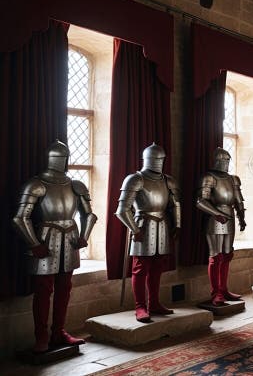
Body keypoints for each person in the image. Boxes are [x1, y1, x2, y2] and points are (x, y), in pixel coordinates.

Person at [12, 141, 96, 352]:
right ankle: (41, 337)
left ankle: (58, 333)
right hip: (46, 239)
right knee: (43, 290)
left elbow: (89, 215)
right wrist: (34, 243)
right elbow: (20, 218)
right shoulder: (36, 184)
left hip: (70, 240)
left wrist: (84, 236)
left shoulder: (76, 185)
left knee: (64, 288)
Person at [116, 143, 181, 323]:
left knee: (157, 267)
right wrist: (135, 229)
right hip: (143, 225)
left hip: (163, 225)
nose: (158, 162)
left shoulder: (168, 180)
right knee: (140, 268)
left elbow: (175, 205)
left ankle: (154, 303)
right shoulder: (135, 179)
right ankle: (140, 307)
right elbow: (122, 210)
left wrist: (177, 225)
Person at [196, 148, 246, 306]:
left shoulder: (233, 179)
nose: (226, 163)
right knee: (215, 256)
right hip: (214, 220)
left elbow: (238, 200)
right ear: (217, 160)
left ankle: (224, 289)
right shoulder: (208, 177)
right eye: (224, 160)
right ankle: (216, 292)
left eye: (228, 160)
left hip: (229, 219)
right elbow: (200, 201)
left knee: (227, 255)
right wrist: (217, 214)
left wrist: (242, 218)